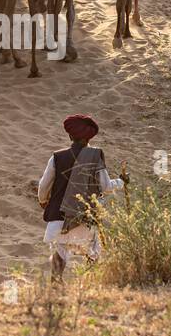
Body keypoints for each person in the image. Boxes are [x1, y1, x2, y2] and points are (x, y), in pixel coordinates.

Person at [37, 114, 128, 280]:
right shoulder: (95, 157)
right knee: (93, 252)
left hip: (59, 216)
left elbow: (44, 186)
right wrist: (121, 182)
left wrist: (43, 201)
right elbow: (106, 187)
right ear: (89, 138)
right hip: (84, 217)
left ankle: (55, 283)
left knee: (60, 251)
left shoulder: (57, 157)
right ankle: (89, 284)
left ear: (70, 136)